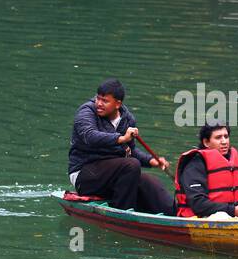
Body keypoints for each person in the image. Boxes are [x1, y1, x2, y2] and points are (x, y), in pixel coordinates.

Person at [68, 78, 175, 214]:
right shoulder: (86, 112)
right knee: (131, 165)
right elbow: (90, 136)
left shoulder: (128, 119)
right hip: (84, 175)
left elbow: (130, 150)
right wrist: (121, 138)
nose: (99, 104)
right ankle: (122, 213)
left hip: (115, 174)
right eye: (98, 98)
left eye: (105, 101)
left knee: (150, 182)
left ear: (118, 104)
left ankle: (176, 215)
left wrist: (151, 160)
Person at [173, 123, 238, 219]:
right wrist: (233, 211)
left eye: (226, 136)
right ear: (206, 142)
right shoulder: (195, 164)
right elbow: (198, 204)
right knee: (221, 216)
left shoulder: (230, 164)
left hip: (232, 214)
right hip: (202, 217)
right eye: (218, 137)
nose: (224, 141)